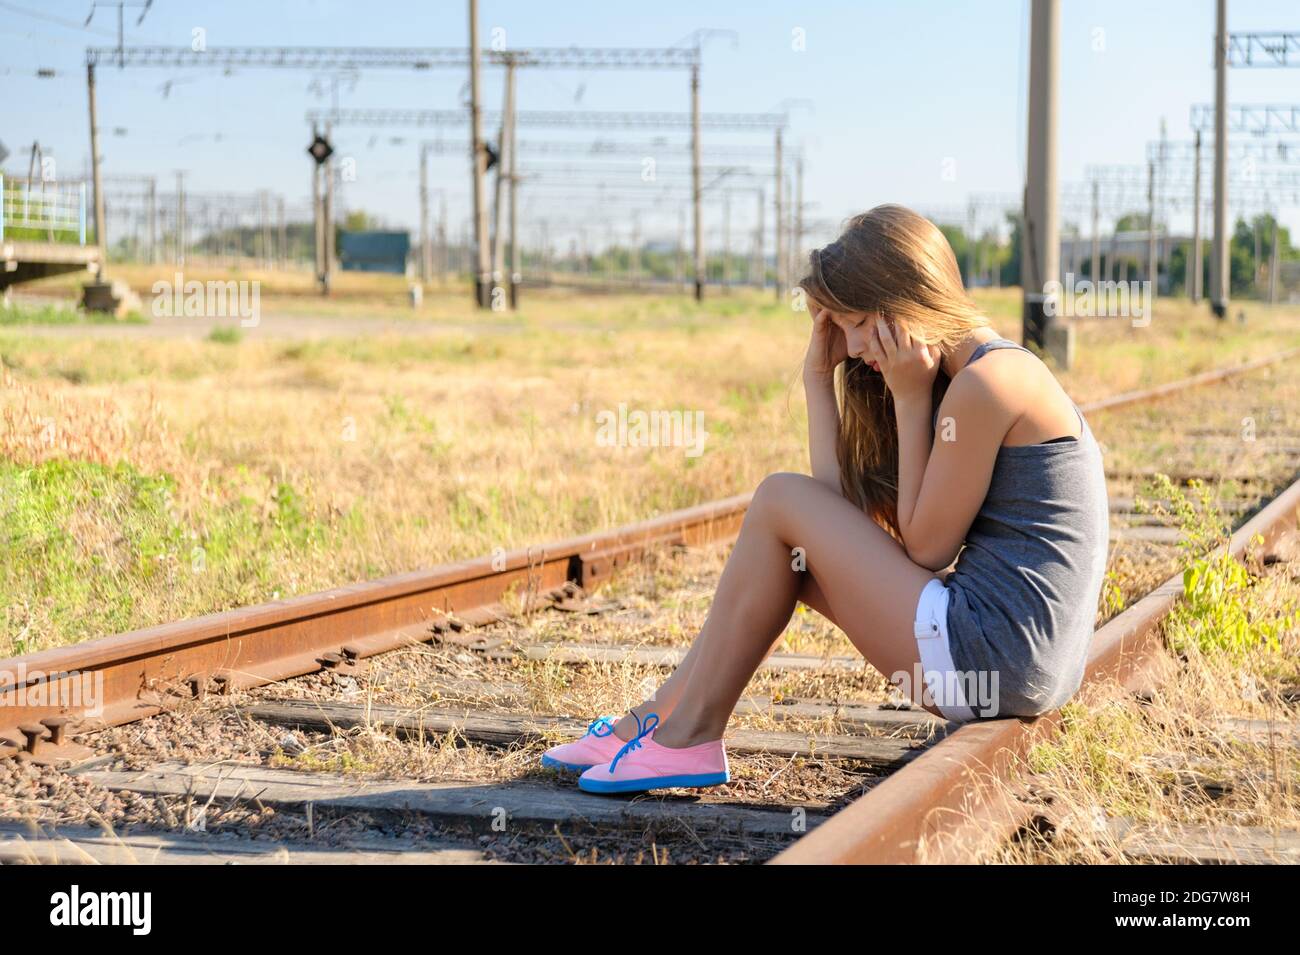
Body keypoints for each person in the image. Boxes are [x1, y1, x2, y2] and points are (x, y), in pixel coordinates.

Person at [543, 204, 1109, 795]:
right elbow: (838, 516)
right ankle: (658, 722)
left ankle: (687, 735)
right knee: (786, 543)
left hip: (990, 659)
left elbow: (925, 550)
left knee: (777, 496)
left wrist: (911, 399)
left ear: (905, 303)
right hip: (1007, 664)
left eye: (858, 321)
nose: (855, 343)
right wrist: (818, 378)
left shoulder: (988, 385)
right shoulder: (982, 375)